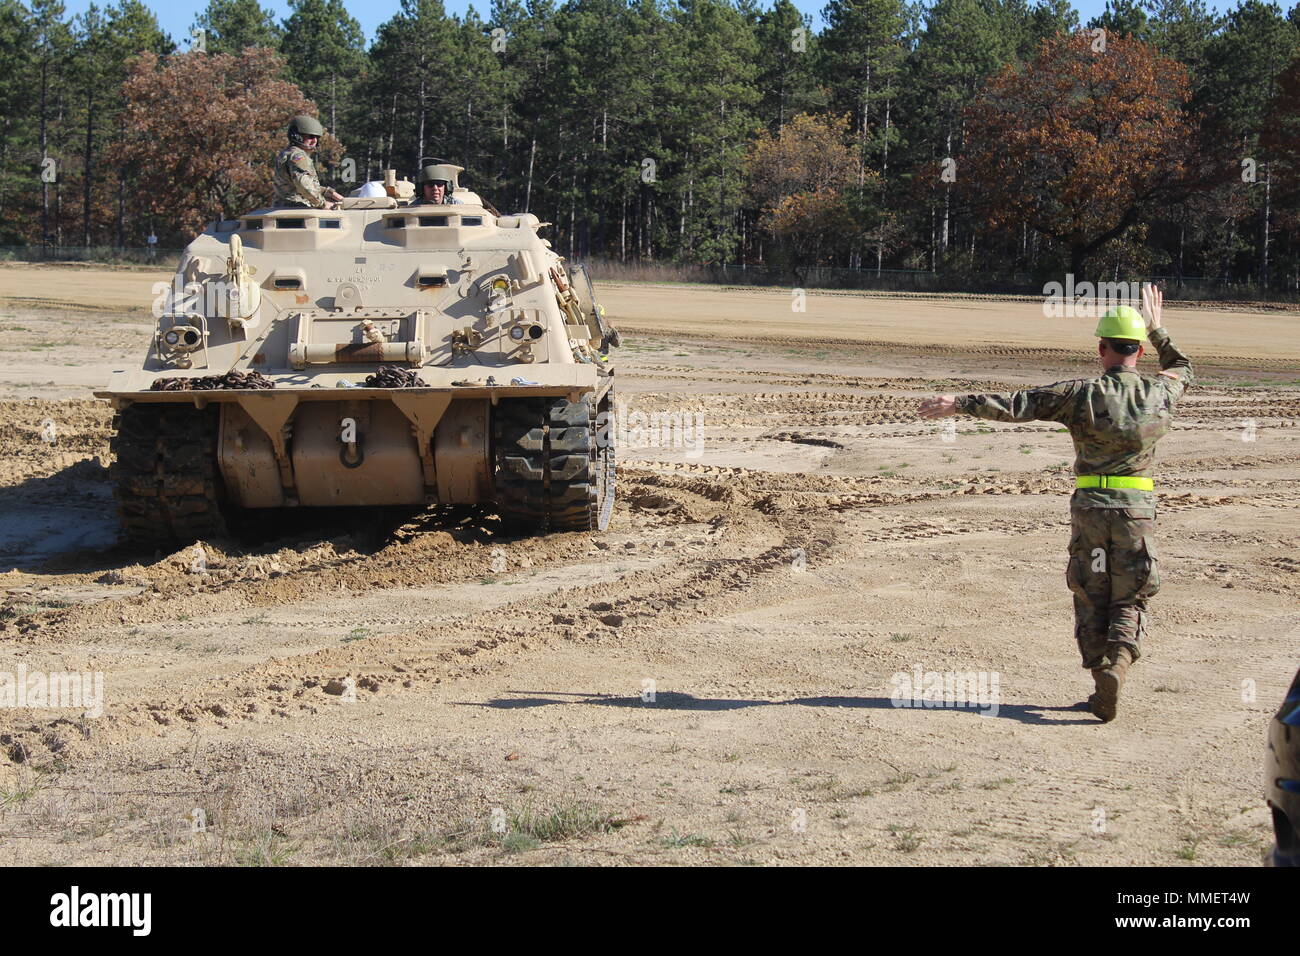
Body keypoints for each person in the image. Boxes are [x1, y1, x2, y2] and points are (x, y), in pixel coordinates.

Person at [917, 285, 1192, 722]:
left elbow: (1019, 405)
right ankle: (1118, 665)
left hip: (1089, 507)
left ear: (1101, 349)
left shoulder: (1081, 393)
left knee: (1090, 592)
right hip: (1137, 509)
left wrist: (959, 403)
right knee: (1130, 595)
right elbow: (1182, 367)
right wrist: (1158, 328)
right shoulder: (1162, 393)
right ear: (1138, 351)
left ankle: (1100, 673)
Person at [273, 115, 344, 210]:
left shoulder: (287, 153)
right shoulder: (298, 156)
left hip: (283, 207)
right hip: (298, 209)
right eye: (310, 136)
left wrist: (328, 192)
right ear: (297, 135)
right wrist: (322, 204)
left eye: (316, 137)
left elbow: (294, 185)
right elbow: (304, 185)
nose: (314, 141)